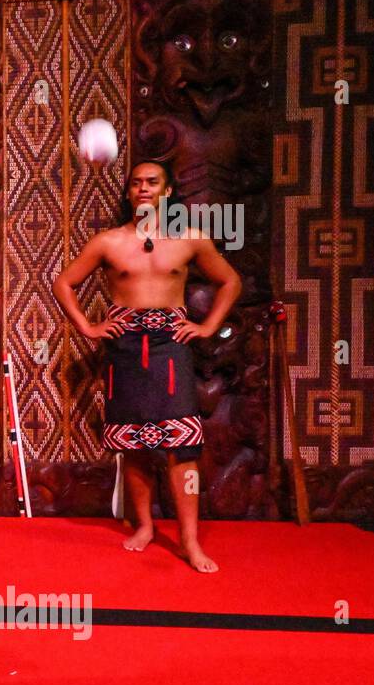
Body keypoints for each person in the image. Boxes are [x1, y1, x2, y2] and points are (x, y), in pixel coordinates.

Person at [52, 160, 241, 573]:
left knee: (182, 446)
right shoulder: (108, 242)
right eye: (136, 183)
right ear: (127, 193)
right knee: (134, 444)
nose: (142, 189)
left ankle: (190, 540)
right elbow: (63, 282)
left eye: (152, 182)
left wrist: (208, 326)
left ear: (167, 192)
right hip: (124, 347)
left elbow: (230, 281)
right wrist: (87, 325)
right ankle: (145, 526)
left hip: (170, 346)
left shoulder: (190, 239)